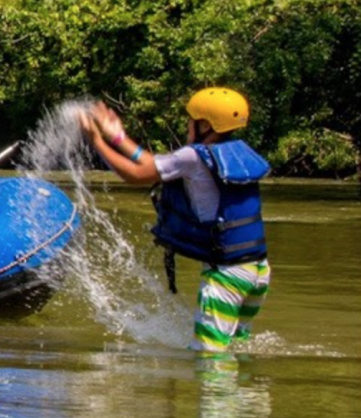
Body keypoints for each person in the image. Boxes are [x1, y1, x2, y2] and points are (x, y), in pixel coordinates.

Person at [79, 88, 272, 354]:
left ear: (205, 124)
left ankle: (219, 397)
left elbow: (136, 174)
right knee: (236, 348)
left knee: (210, 359)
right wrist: (117, 137)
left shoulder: (193, 157)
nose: (187, 125)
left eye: (191, 120)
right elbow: (153, 164)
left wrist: (97, 142)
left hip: (227, 276)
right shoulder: (233, 154)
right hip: (257, 270)